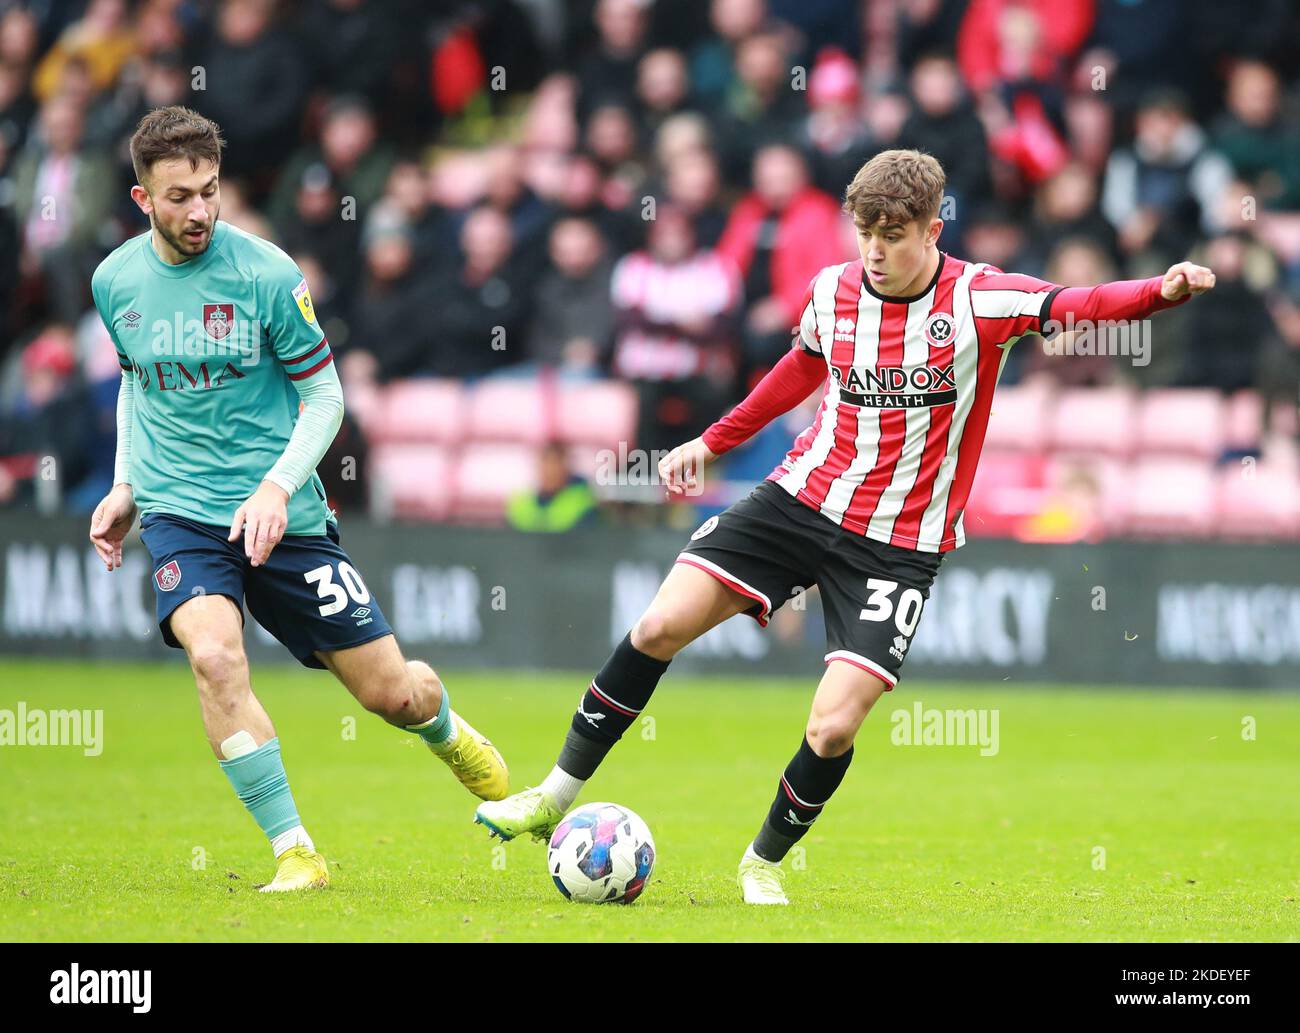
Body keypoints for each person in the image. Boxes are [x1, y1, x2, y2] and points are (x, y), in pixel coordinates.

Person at [474, 149, 1215, 905]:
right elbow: (797, 370)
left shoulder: (980, 301)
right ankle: (552, 795)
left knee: (832, 727)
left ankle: (761, 861)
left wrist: (1159, 290)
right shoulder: (833, 291)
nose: (875, 249)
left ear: (933, 230)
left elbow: (1079, 304)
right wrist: (712, 441)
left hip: (898, 545)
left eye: (893, 234)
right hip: (799, 500)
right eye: (865, 231)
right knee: (661, 622)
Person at [86, 106, 509, 893]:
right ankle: (296, 850)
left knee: (391, 693)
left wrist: (278, 487)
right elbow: (134, 386)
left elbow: (325, 397)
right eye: (179, 196)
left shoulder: (268, 275)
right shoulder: (115, 282)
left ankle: (443, 728)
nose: (200, 211)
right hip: (181, 509)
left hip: (287, 514)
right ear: (144, 199)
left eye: (210, 190)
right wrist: (126, 485)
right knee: (214, 656)